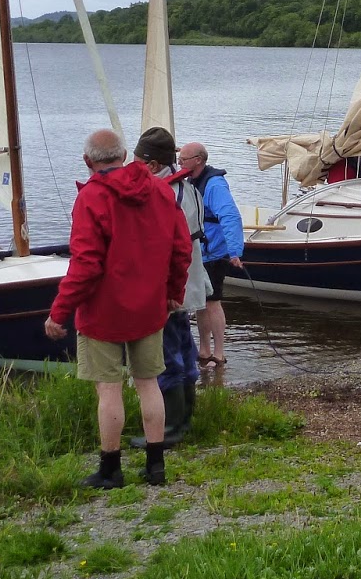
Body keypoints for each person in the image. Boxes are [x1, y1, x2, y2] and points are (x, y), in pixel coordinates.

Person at [45, 128, 191, 489]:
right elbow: (181, 248)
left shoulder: (91, 197)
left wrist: (59, 311)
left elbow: (86, 264)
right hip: (149, 308)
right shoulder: (160, 190)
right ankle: (155, 466)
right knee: (148, 384)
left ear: (87, 161)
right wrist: (174, 291)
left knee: (108, 390)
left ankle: (111, 469)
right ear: (125, 155)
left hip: (103, 312)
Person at [127, 126, 209, 447]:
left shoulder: (165, 193)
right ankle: (185, 418)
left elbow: (160, 246)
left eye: (135, 163)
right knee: (184, 349)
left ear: (150, 164)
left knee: (168, 354)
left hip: (172, 286)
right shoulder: (187, 188)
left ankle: (172, 426)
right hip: (188, 283)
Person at [179, 141, 245, 366]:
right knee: (200, 301)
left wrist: (235, 251)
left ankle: (219, 352)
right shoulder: (190, 181)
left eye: (184, 159)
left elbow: (230, 216)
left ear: (198, 160)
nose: (179, 163)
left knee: (212, 302)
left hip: (215, 253)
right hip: (200, 252)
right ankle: (204, 349)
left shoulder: (214, 184)